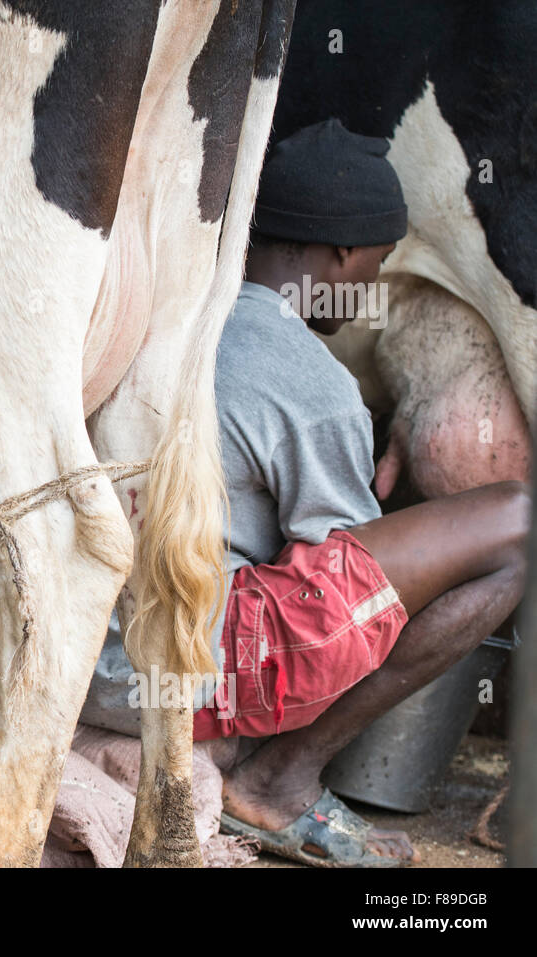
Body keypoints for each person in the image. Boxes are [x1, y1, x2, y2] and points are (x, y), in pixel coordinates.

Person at [189, 118, 529, 866]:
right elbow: (361, 589)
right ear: (339, 255)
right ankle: (280, 780)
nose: (369, 295)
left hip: (101, 656)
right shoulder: (314, 381)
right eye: (374, 270)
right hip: (197, 672)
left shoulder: (179, 318)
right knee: (516, 523)